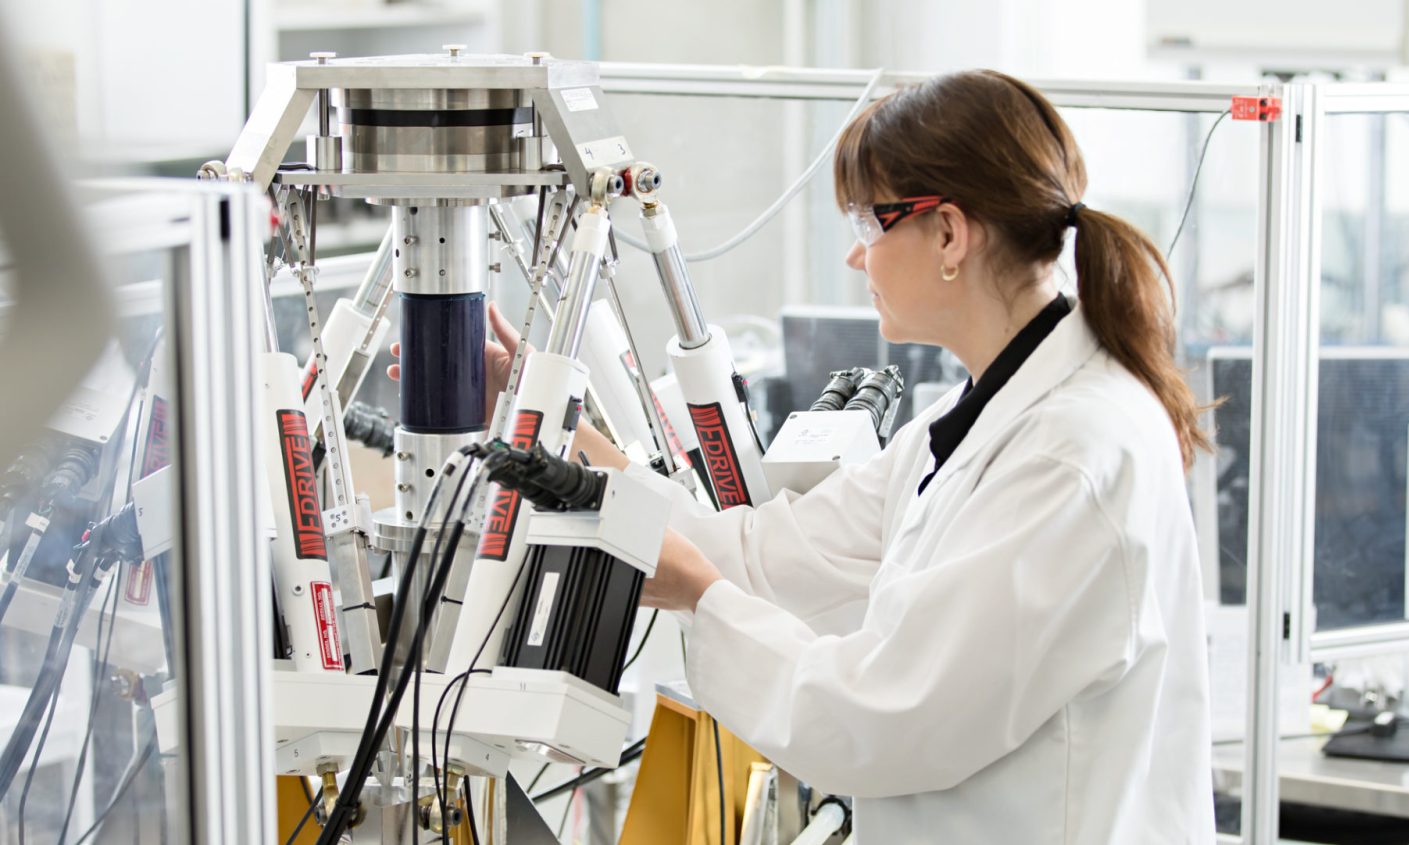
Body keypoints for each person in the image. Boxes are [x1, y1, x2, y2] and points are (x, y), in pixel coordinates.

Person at [398, 69, 1215, 844]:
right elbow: (767, 552)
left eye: (868, 224)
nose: (857, 256)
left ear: (949, 232)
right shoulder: (977, 416)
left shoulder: (1071, 457)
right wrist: (544, 416)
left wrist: (700, 595)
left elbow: (884, 716)